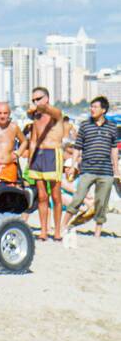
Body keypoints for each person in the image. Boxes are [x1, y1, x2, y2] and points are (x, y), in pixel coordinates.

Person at [64, 96, 118, 238]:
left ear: (103, 110)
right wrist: (73, 165)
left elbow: (114, 149)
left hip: (106, 171)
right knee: (78, 198)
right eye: (91, 106)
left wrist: (116, 170)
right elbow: (77, 147)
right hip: (87, 169)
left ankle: (97, 234)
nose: (91, 109)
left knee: (101, 203)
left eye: (95, 107)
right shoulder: (85, 125)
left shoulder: (112, 127)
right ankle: (62, 227)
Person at [23, 87, 68, 241]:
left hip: (52, 153)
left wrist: (40, 107)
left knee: (56, 195)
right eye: (33, 100)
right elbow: (34, 138)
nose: (36, 102)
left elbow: (52, 112)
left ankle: (57, 231)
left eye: (38, 98)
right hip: (38, 155)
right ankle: (44, 231)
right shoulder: (36, 116)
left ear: (46, 98)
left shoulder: (55, 113)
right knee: (42, 196)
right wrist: (30, 160)